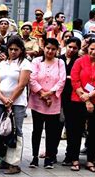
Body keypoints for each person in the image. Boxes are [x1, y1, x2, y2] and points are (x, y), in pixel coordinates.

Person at [0, 35, 32, 174]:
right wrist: (2, 98)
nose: (13, 52)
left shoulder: (24, 63)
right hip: (0, 101)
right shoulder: (3, 63)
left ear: (21, 50)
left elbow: (21, 85)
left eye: (16, 49)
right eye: (10, 49)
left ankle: (14, 164)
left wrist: (10, 101)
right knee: (3, 130)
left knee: (16, 132)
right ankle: (2, 159)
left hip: (17, 103)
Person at [70, 37, 95, 172]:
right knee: (76, 130)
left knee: (94, 132)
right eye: (92, 49)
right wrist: (86, 99)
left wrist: (90, 96)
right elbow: (75, 81)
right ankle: (74, 159)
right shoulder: (79, 62)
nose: (94, 52)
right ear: (87, 48)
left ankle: (90, 160)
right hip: (78, 100)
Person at [28, 38, 66, 169]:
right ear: (43, 48)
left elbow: (62, 81)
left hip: (53, 101)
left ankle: (49, 158)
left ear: (57, 50)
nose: (50, 51)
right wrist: (43, 95)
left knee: (51, 131)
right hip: (38, 100)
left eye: (53, 49)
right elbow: (32, 79)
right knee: (36, 130)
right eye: (48, 48)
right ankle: (34, 157)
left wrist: (49, 94)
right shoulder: (36, 61)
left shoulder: (60, 62)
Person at [60, 37, 81, 167]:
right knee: (56, 127)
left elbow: (78, 78)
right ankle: (51, 152)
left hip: (74, 98)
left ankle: (71, 155)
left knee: (73, 128)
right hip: (59, 97)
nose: (71, 50)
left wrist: (68, 78)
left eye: (75, 48)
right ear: (65, 46)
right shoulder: (59, 59)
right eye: (70, 47)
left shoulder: (79, 61)